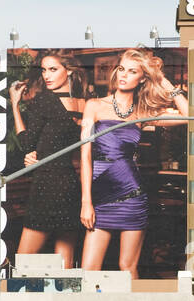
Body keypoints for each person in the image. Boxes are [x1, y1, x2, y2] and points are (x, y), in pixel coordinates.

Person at [79, 49, 187, 278]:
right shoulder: (94, 106)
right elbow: (85, 156)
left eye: (132, 71)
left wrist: (161, 78)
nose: (123, 75)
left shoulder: (143, 112)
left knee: (127, 268)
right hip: (99, 195)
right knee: (89, 272)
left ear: (142, 78)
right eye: (121, 69)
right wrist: (86, 201)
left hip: (131, 194)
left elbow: (187, 116)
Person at [9, 51, 88, 268]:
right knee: (66, 263)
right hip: (72, 186)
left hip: (48, 185)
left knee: (24, 262)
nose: (46, 75)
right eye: (44, 70)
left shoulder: (44, 101)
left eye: (53, 69)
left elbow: (27, 144)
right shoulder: (86, 103)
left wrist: (15, 105)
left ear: (69, 70)